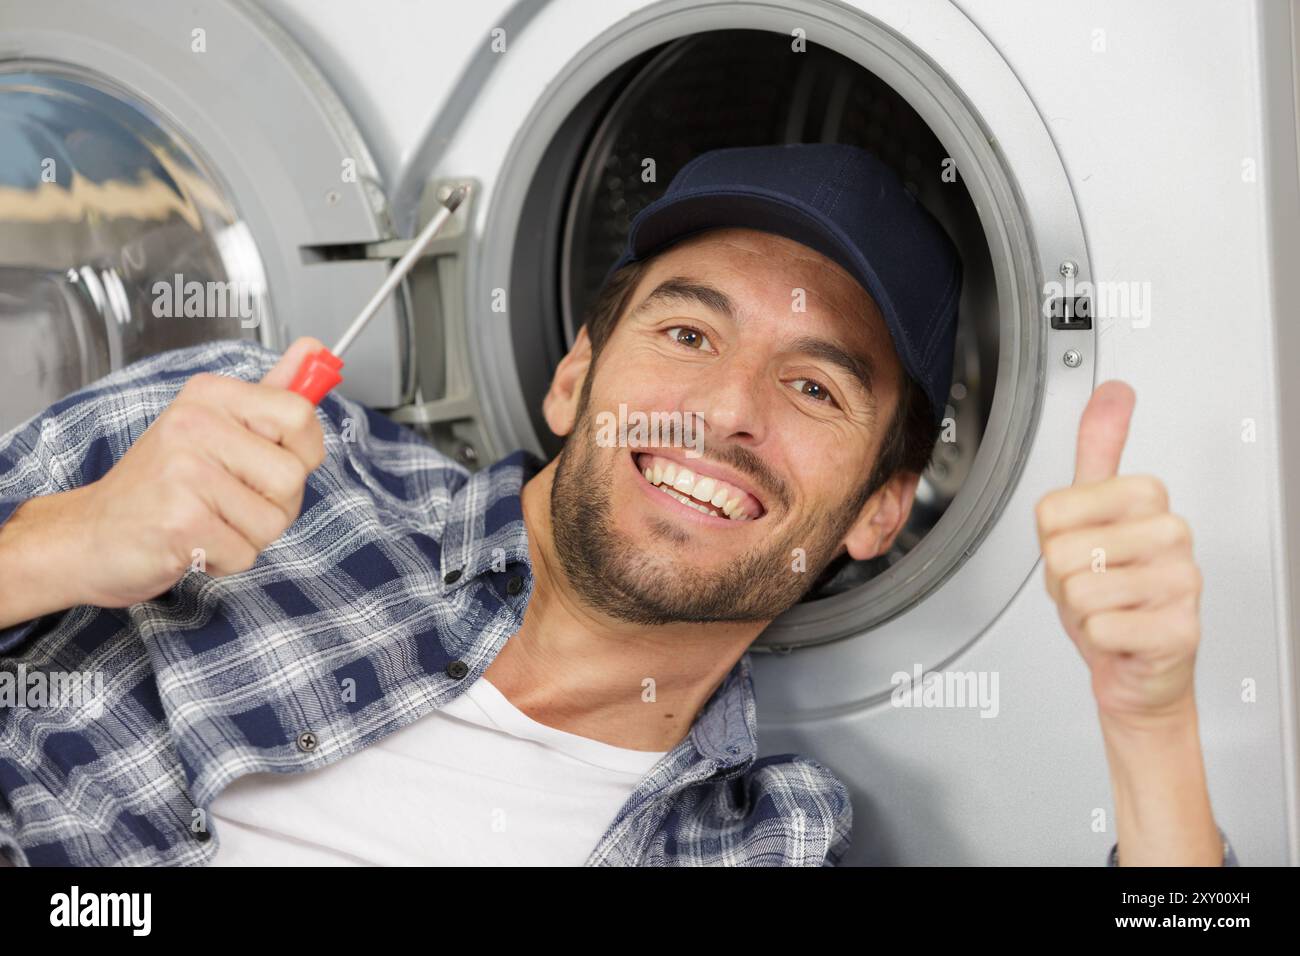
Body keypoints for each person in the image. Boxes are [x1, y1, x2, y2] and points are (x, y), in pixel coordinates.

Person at [0, 143, 1236, 866]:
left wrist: (1149, 727)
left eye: (813, 385)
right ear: (573, 372)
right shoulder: (225, 448)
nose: (725, 410)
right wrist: (65, 545)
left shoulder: (761, 843)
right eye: (688, 329)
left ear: (879, 509)